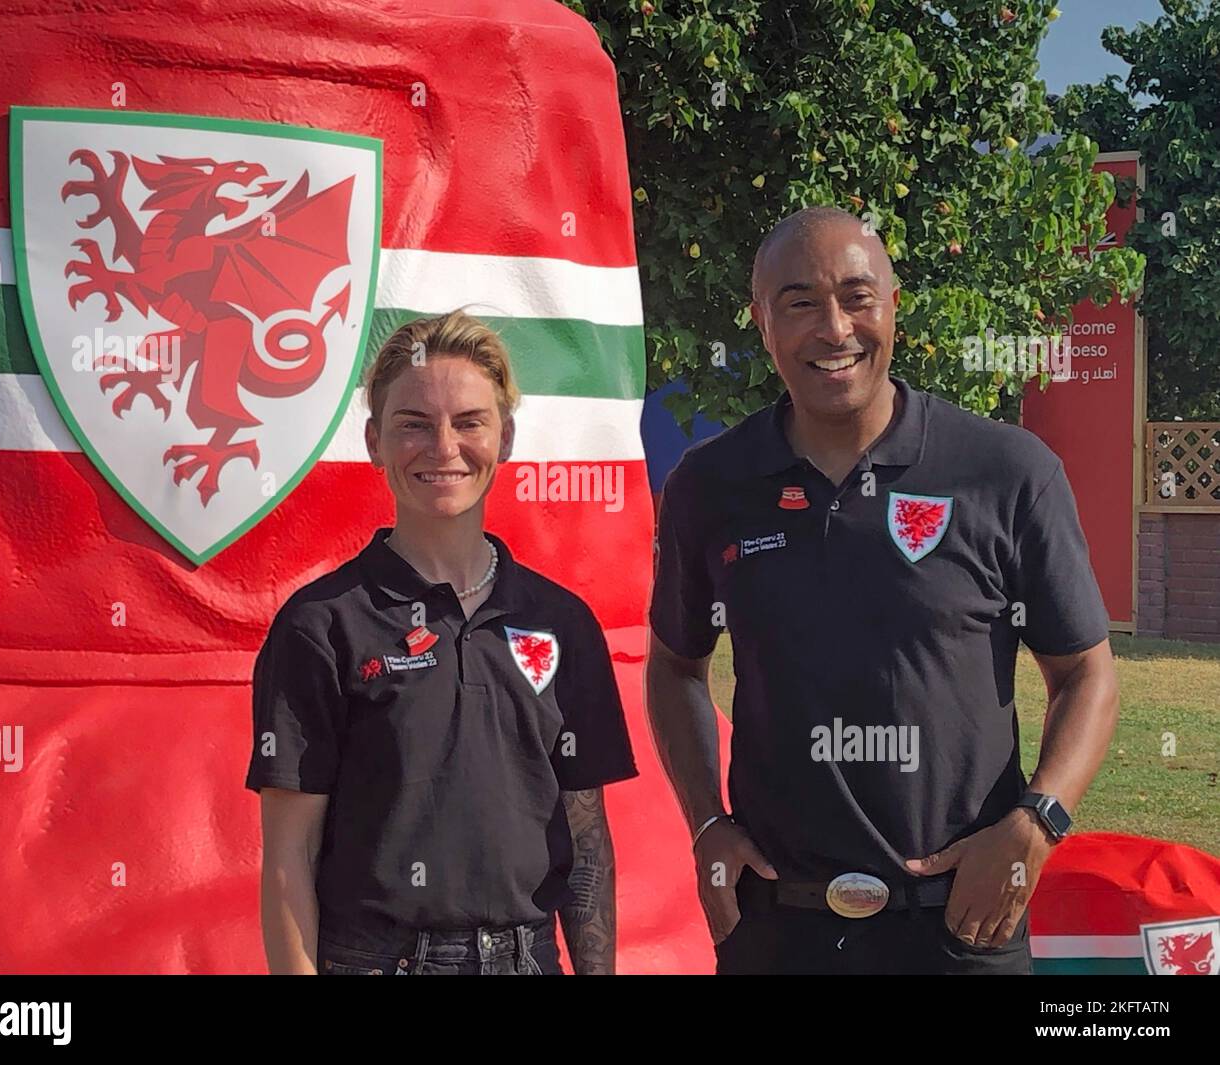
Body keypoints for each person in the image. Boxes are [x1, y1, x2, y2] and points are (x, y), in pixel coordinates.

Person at [646, 206, 1120, 975]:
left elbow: (1087, 673)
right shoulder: (710, 485)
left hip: (962, 929)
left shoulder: (1006, 471)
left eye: (857, 297)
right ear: (762, 321)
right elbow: (672, 666)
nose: (833, 329)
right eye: (799, 302)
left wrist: (1036, 821)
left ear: (894, 306)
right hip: (780, 927)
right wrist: (705, 824)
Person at [247, 310, 638, 975]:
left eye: (469, 421)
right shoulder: (320, 625)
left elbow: (585, 838)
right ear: (374, 441)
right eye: (414, 424)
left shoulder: (561, 621)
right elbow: (290, 853)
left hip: (527, 958)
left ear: (505, 436)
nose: (443, 447)